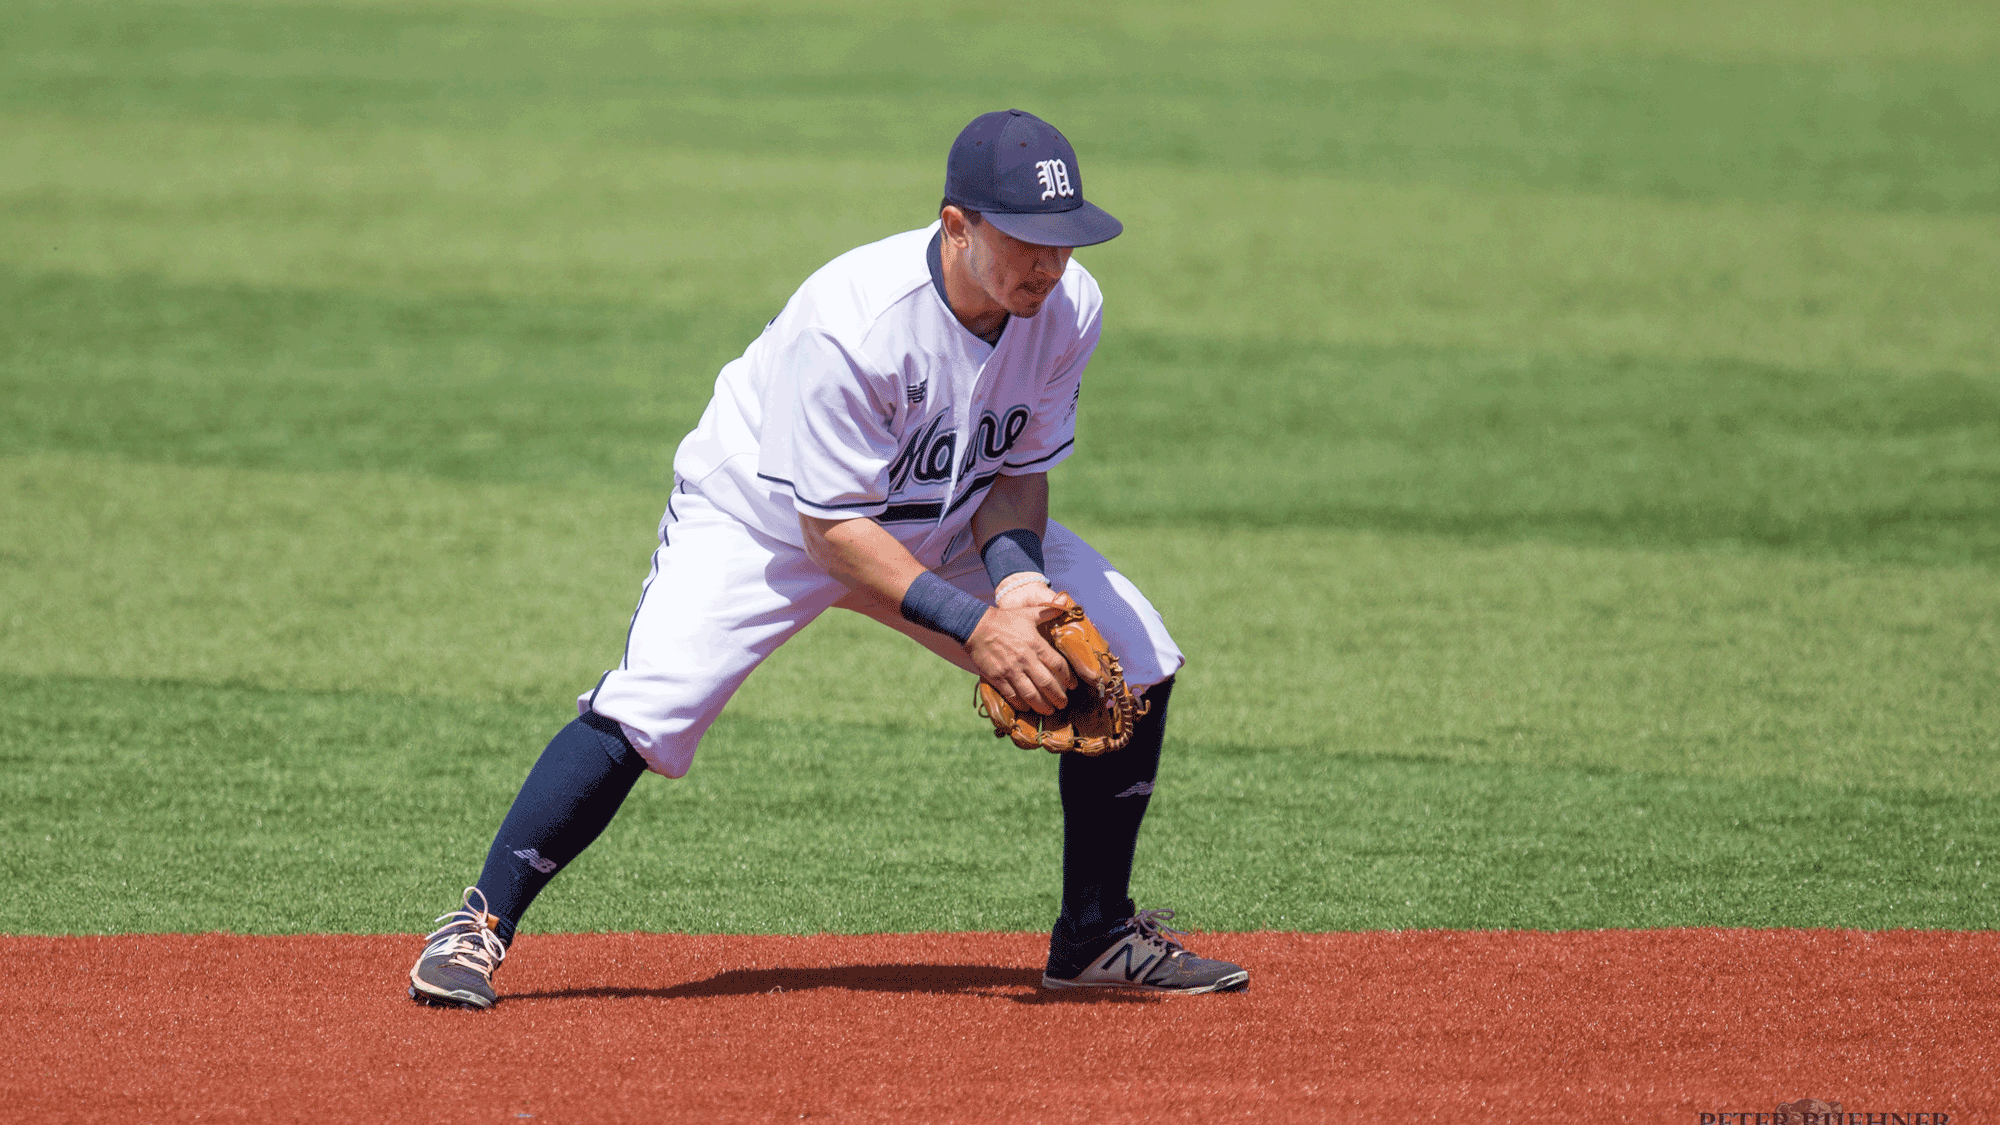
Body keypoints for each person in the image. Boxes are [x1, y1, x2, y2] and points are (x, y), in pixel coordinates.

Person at [407, 109, 1249, 1008]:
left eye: (1064, 241)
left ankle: (1094, 934)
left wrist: (1018, 585)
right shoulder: (854, 322)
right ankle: (477, 923)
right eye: (1026, 241)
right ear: (956, 224)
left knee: (1136, 654)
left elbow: (1014, 470)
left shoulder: (1069, 308)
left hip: (945, 519)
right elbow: (834, 534)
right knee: (652, 706)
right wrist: (979, 629)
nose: (1050, 264)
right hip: (766, 525)